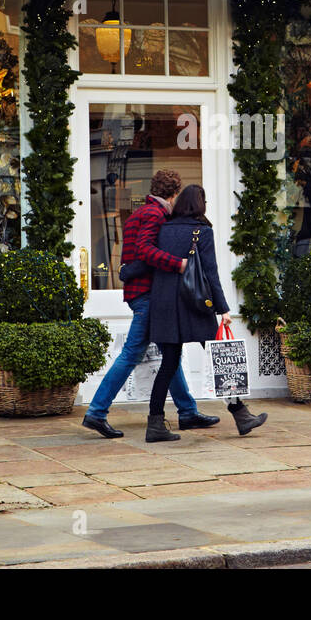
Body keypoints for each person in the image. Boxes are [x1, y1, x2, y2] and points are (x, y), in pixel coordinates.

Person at [82, 169, 221, 438]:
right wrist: (178, 264)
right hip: (147, 294)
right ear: (173, 192)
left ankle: (187, 411)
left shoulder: (143, 212)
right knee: (133, 353)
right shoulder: (154, 215)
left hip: (142, 292)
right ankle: (96, 412)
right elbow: (146, 250)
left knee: (171, 354)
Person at [144, 184, 268, 443]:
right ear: (200, 204)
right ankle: (241, 415)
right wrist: (223, 309)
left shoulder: (163, 229)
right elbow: (210, 273)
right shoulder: (202, 231)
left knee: (168, 365)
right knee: (220, 359)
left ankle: (154, 424)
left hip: (165, 304)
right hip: (195, 305)